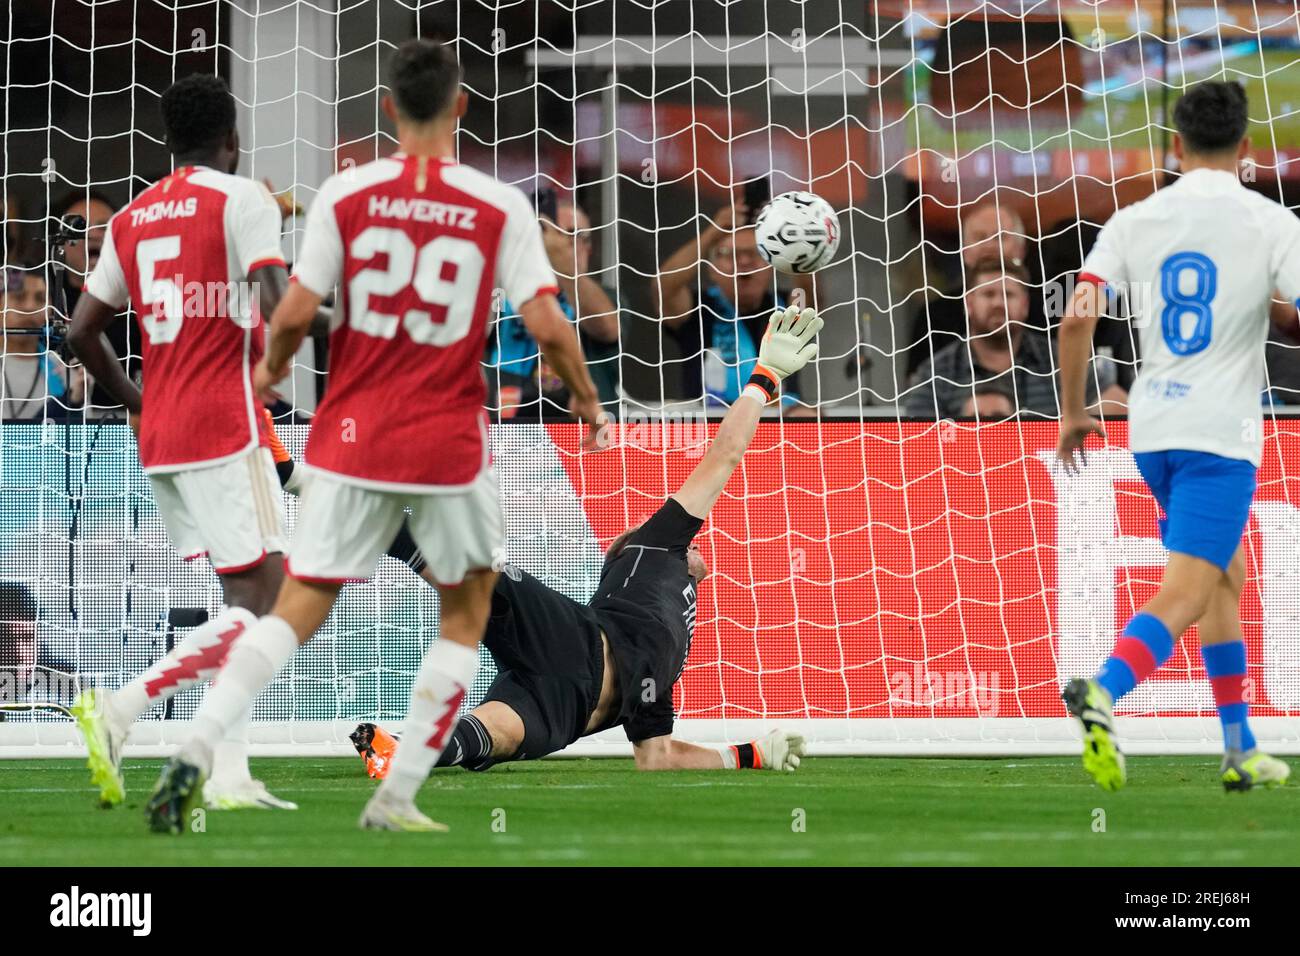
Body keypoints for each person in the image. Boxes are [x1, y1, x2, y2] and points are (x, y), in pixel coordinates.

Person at [144, 38, 603, 835]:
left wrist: (267, 374)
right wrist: (590, 400)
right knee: (466, 615)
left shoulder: (346, 200)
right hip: (446, 441)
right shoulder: (497, 205)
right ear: (461, 107)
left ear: (389, 108)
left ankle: (195, 747)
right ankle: (396, 798)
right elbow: (546, 325)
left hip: (352, 433)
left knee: (296, 607)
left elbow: (290, 311)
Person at [354, 305, 819, 780]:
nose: (703, 540)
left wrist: (751, 753)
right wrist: (765, 378)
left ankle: (402, 753)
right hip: (573, 642)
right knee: (482, 577)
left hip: (568, 711)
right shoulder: (656, 549)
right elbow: (724, 456)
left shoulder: (664, 643)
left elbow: (655, 759)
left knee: (495, 736)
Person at [67, 73, 303, 811]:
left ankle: (229, 773)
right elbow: (275, 299)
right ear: (232, 140)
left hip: (163, 434)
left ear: (171, 140)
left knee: (244, 598)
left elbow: (80, 332)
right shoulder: (243, 200)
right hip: (224, 428)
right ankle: (125, 707)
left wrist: (142, 401)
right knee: (273, 601)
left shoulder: (134, 216)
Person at [1057, 80, 1298, 792]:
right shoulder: (1269, 221)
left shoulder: (1135, 219)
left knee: (1225, 572)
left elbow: (1076, 319)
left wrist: (1073, 411)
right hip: (1219, 433)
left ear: (1175, 147)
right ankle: (1102, 689)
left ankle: (1238, 747)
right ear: (1247, 149)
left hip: (1153, 427)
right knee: (1188, 590)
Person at [654, 195, 816, 413]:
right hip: (713, 424)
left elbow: (810, 286)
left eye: (755, 253)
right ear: (711, 268)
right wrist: (714, 231)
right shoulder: (697, 308)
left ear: (772, 265)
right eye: (731, 254)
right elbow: (663, 288)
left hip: (782, 423)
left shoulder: (789, 305)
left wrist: (789, 233)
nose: (744, 262)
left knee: (806, 415)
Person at [905, 257, 1123, 418]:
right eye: (988, 294)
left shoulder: (1059, 358)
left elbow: (1118, 405)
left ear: (1025, 305)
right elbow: (919, 442)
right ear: (968, 304)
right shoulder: (935, 373)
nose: (998, 303)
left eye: (1008, 294)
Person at [486, 200, 622, 418]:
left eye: (572, 234)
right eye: (550, 233)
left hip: (579, 434)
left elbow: (607, 327)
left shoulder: (607, 297)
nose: (560, 243)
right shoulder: (500, 294)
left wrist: (564, 266)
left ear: (588, 246)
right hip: (500, 430)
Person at [2, 264, 84, 420]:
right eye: (19, 297)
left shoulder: (65, 374)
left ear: (51, 310)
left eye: (40, 299)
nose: (29, 307)